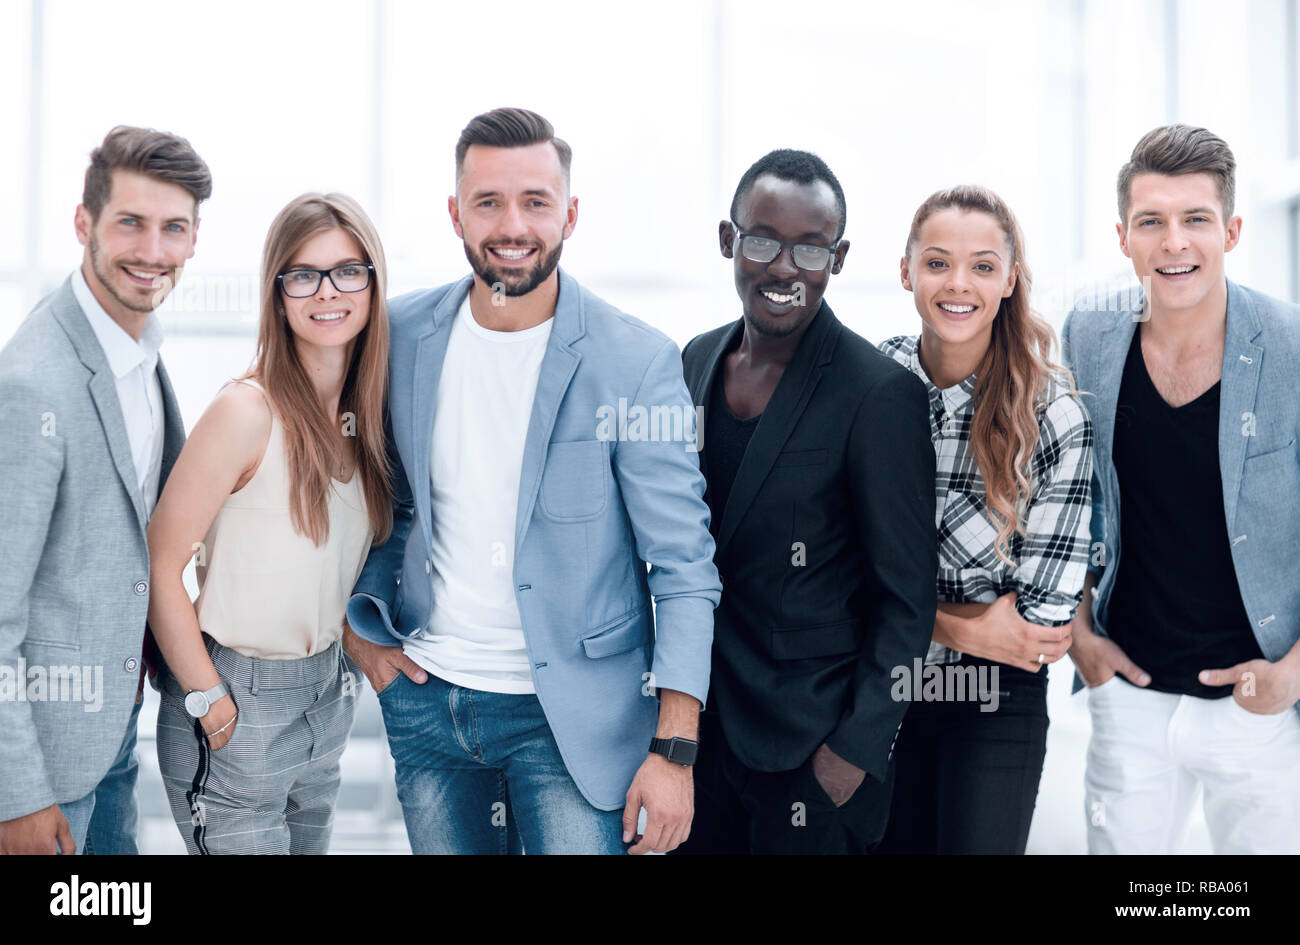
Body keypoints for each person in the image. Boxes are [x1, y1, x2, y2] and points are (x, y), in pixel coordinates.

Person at [342, 107, 720, 855]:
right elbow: (372, 496)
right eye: (488, 202)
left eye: (535, 202)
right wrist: (360, 636)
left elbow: (682, 568)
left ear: (570, 215)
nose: (512, 224)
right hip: (429, 706)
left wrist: (675, 751)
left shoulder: (635, 361)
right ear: (456, 213)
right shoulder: (399, 334)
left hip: (575, 723)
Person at [673, 149, 937, 855]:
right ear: (728, 240)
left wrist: (851, 754)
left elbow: (908, 601)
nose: (784, 267)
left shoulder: (878, 394)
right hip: (700, 743)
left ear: (838, 257)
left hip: (812, 757)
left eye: (810, 248)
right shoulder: (692, 361)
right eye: (762, 240)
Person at [1063, 124, 1300, 854]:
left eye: (1196, 219)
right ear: (1123, 236)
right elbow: (1061, 486)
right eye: (1152, 222)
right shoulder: (1089, 335)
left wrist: (1291, 676)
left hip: (1257, 697)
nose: (1174, 243)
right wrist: (1079, 636)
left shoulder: (1291, 346)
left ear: (1229, 230)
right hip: (1128, 686)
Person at [147, 192, 392, 854]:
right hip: (237, 701)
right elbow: (160, 564)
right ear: (278, 292)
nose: (326, 291)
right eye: (302, 274)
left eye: (348, 270)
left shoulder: (367, 421)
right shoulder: (246, 410)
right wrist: (210, 699)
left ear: (373, 283)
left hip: (325, 697)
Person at [0, 126, 210, 854]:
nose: (152, 251)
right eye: (130, 223)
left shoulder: (138, 356)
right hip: (45, 769)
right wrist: (17, 795)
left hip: (112, 736)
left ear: (192, 239)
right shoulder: (34, 383)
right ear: (84, 222)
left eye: (173, 228)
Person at [874, 185, 1094, 854]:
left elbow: (1038, 630)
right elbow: (824, 570)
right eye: (938, 262)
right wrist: (957, 621)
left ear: (1010, 280)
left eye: (982, 265)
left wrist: (896, 610)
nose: (958, 283)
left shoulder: (1053, 414)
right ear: (906, 270)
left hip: (994, 702)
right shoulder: (864, 385)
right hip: (877, 691)